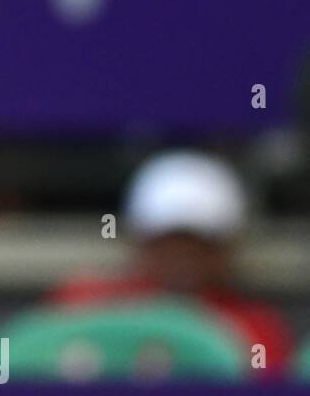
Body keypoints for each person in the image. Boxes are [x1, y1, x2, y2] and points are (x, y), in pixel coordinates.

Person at [47, 151, 293, 373]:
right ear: (138, 242)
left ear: (226, 249)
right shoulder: (85, 305)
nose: (181, 258)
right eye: (165, 243)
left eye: (199, 245)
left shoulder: (257, 330)